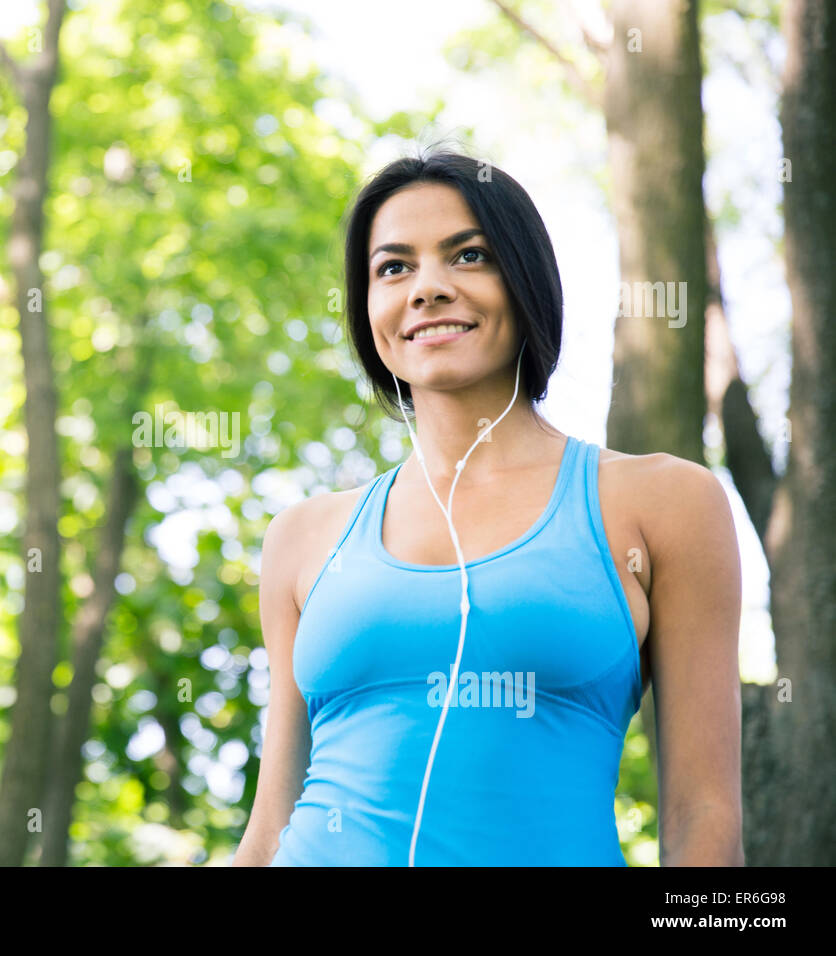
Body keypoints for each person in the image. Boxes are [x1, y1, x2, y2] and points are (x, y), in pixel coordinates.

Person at [232, 147, 743, 866]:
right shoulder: (303, 536)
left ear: (524, 278)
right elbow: (269, 828)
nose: (427, 288)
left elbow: (705, 815)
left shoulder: (662, 502)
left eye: (467, 256)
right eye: (393, 267)